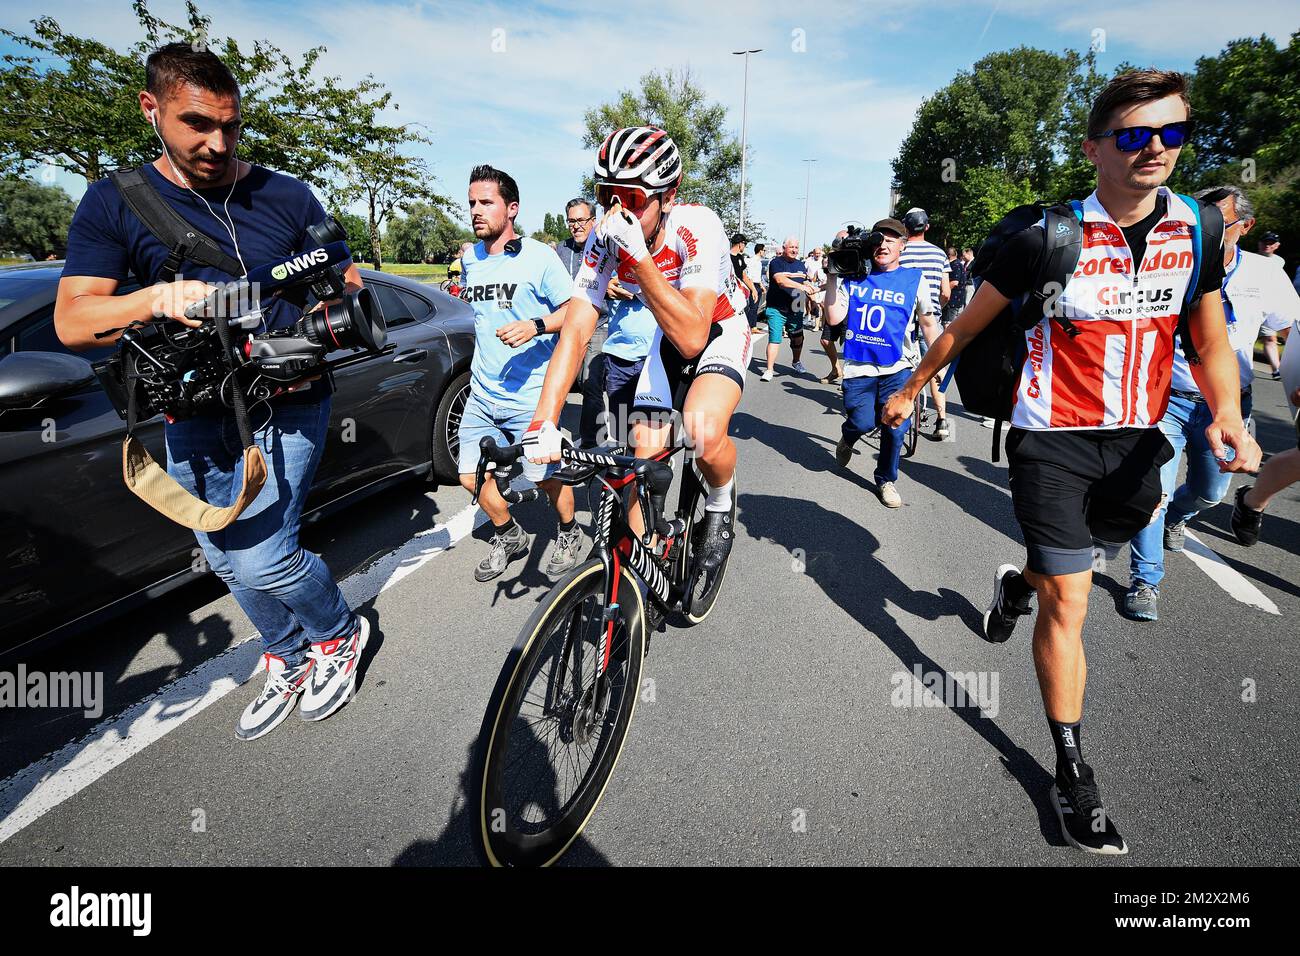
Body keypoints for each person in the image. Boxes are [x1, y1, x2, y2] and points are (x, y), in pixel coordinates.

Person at [883, 69, 1258, 855]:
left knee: (1080, 561)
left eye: (1172, 133)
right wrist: (914, 386)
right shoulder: (1043, 235)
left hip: (1137, 441)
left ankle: (1015, 582)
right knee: (1073, 602)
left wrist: (1225, 410)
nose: (1155, 148)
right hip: (1050, 439)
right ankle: (1072, 771)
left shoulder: (1201, 230)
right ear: (1094, 149)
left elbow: (1211, 333)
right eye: (1133, 135)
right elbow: (963, 325)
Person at [54, 43, 369, 741]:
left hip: (289, 398)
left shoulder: (285, 194)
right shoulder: (115, 201)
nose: (217, 143)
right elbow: (73, 320)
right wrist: (157, 298)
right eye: (198, 124)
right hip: (190, 409)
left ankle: (338, 633)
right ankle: (287, 653)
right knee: (223, 556)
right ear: (151, 109)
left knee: (265, 553)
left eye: (230, 126)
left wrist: (324, 325)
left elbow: (347, 281)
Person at [523, 126, 751, 569]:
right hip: (665, 335)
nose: (616, 212)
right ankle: (642, 566)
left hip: (718, 329)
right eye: (607, 195)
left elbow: (692, 339)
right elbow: (575, 329)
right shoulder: (604, 238)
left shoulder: (698, 225)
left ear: (668, 196)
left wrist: (640, 261)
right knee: (638, 458)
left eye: (631, 199)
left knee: (702, 430)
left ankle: (721, 504)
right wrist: (544, 420)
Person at [1124, 185, 1299, 620]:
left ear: (1246, 226)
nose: (1211, 230)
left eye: (1222, 223)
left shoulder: (1265, 274)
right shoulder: (1171, 260)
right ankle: (1146, 580)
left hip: (1228, 405)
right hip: (1165, 398)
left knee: (1209, 492)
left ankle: (1179, 515)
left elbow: (1291, 327)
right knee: (1152, 495)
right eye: (1204, 220)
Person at [454, 165, 583, 583]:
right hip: (483, 392)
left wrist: (536, 325)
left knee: (542, 477)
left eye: (486, 202)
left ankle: (569, 531)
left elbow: (577, 314)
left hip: (531, 393)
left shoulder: (540, 258)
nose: (476, 210)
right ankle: (508, 534)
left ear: (511, 208)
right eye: (472, 202)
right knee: (469, 475)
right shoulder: (469, 259)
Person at [825, 219, 940, 508]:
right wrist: (831, 275)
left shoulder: (915, 279)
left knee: (895, 424)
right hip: (859, 367)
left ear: (903, 246)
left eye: (892, 240)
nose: (884, 245)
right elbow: (834, 318)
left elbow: (927, 323)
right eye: (879, 239)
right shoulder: (855, 277)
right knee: (862, 421)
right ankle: (848, 437)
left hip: (898, 367)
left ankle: (885, 479)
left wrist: (936, 363)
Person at [556, 198, 609, 449]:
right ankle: (550, 438)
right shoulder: (560, 250)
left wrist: (608, 286)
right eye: (571, 221)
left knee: (590, 382)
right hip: (566, 325)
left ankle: (593, 442)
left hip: (598, 324)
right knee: (559, 380)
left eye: (581, 220)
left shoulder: (606, 247)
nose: (576, 226)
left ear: (593, 221)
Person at [899, 208, 952, 438]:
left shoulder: (899, 251)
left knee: (902, 366)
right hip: (931, 318)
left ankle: (903, 409)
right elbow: (947, 292)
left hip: (904, 317)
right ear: (927, 227)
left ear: (905, 227)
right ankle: (941, 421)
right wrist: (935, 308)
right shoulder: (939, 254)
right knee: (935, 368)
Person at [761, 236, 816, 380]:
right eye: (791, 247)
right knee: (775, 338)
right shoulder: (776, 263)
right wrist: (801, 286)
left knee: (798, 338)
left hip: (796, 307)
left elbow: (805, 281)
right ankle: (769, 369)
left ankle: (796, 361)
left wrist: (812, 296)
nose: (794, 250)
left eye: (796, 247)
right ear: (784, 248)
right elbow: (780, 281)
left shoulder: (800, 265)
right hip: (776, 307)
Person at [1255, 232, 1288, 379]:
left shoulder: (1279, 262)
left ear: (1277, 245)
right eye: (1265, 242)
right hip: (1251, 303)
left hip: (1270, 304)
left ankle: (1277, 370)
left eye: (1271, 242)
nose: (1267, 245)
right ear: (1259, 243)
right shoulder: (1249, 259)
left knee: (1270, 338)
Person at [804, 247, 827, 331]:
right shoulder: (809, 261)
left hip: (824, 288)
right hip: (813, 285)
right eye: (816, 253)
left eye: (819, 253)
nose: (817, 255)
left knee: (823, 306)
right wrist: (809, 277)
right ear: (813, 253)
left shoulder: (824, 262)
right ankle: (810, 317)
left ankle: (822, 324)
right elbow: (805, 270)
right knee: (810, 302)